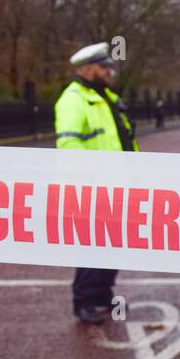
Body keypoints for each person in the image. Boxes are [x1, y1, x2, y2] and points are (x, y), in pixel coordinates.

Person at [55, 42, 138, 325]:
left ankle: (103, 293)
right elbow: (69, 144)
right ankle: (84, 300)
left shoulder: (106, 98)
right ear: (88, 69)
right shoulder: (73, 100)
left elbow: (124, 139)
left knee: (114, 243)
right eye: (104, 67)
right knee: (93, 244)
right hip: (94, 187)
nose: (109, 71)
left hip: (119, 184)